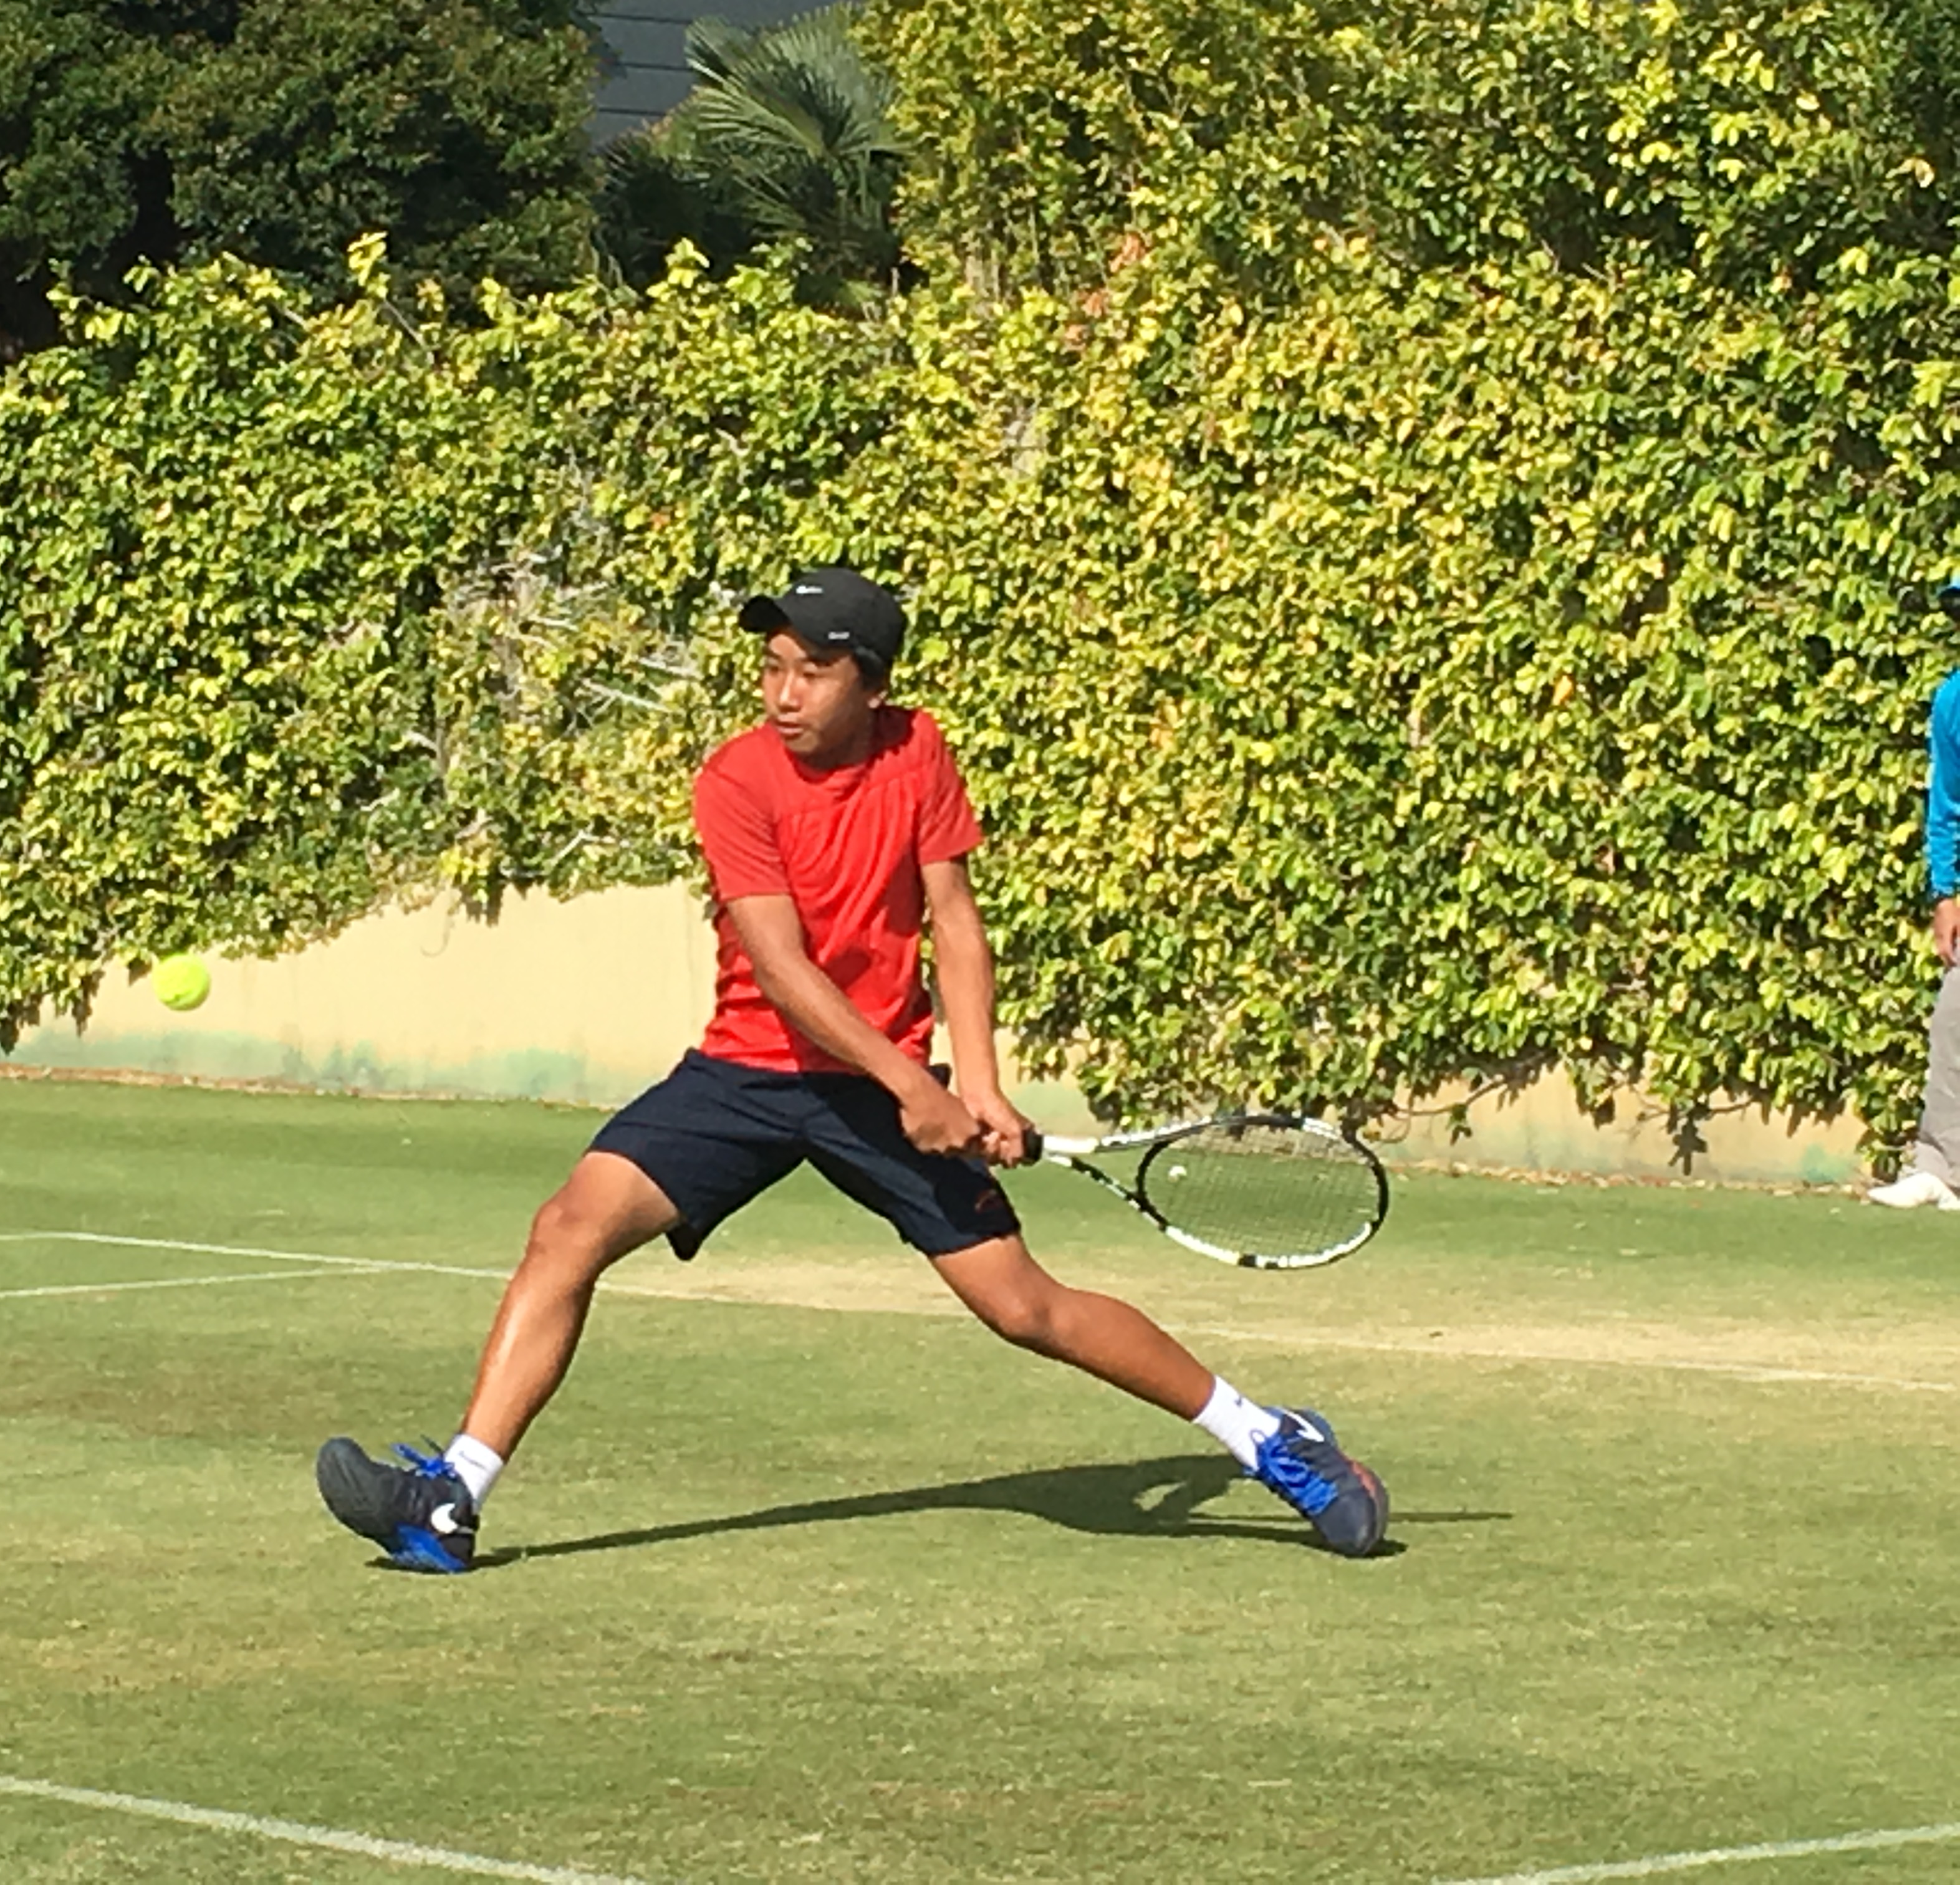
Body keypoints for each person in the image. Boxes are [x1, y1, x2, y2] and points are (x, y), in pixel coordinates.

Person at [314, 568, 1389, 1569]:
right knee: (567, 1228)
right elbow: (781, 969)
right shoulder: (735, 777)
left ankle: (1270, 1437)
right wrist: (913, 1085)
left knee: (1024, 1307)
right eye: (772, 665)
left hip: (877, 1082)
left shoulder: (916, 750)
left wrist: (975, 1079)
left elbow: (954, 921)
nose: (782, 691)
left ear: (870, 686)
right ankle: (453, 1496)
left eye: (810, 671)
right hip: (747, 1070)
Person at [1868, 621, 1960, 1209]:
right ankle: (1941, 1168)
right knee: (1953, 1021)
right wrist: (1946, 892)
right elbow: (1948, 802)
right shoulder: (1954, 699)